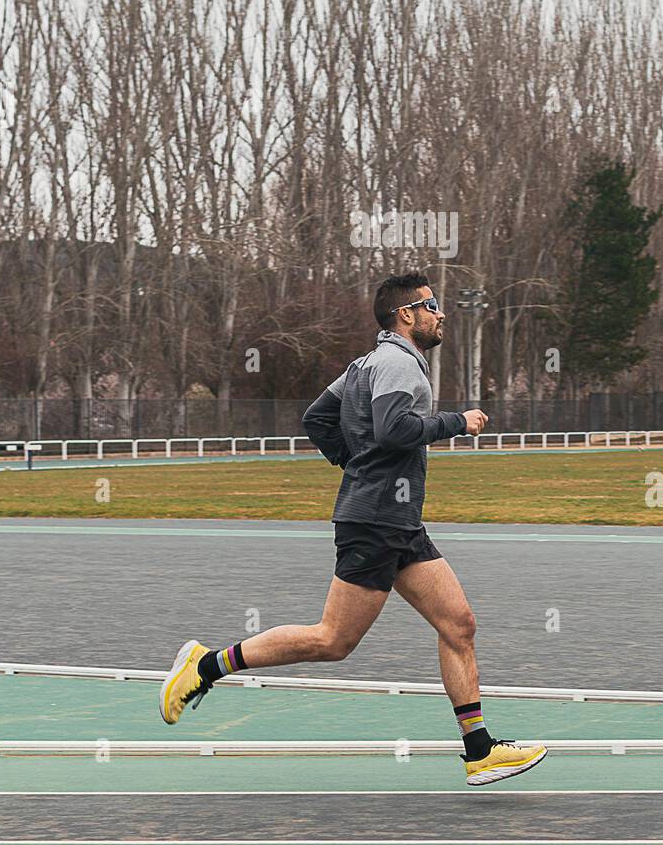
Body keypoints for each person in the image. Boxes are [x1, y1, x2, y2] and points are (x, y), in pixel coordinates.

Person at [159, 272, 547, 787]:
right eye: (432, 306)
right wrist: (457, 422)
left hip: (398, 521)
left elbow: (318, 418)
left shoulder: (365, 364)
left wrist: (356, 463)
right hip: (375, 523)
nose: (441, 314)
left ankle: (480, 750)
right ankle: (206, 665)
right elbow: (393, 429)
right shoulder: (397, 363)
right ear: (405, 315)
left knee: (459, 623)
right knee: (332, 640)